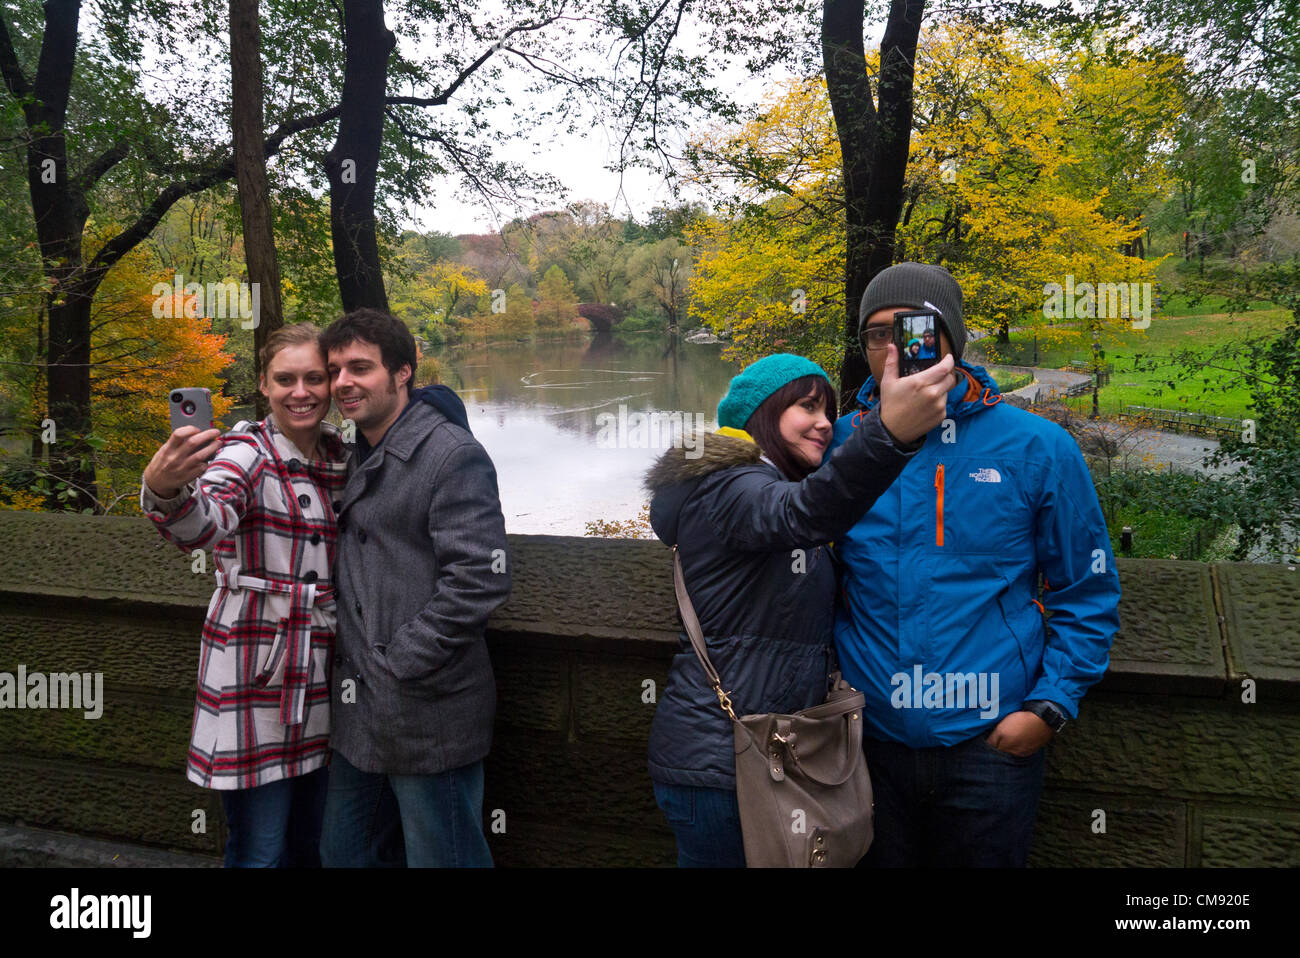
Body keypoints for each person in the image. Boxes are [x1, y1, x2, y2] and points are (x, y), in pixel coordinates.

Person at [830, 262, 1121, 867]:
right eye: (875, 334)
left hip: (988, 746)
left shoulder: (1037, 447)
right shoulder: (838, 444)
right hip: (868, 743)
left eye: (913, 329)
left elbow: (1086, 589)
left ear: (951, 340)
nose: (893, 348)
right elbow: (747, 517)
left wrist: (1049, 707)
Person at [643, 349, 954, 867]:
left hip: (763, 755)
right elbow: (806, 513)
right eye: (807, 407)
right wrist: (889, 434)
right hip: (723, 764)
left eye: (829, 411)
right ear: (762, 414)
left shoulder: (763, 486)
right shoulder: (730, 488)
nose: (824, 424)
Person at [140, 323, 347, 867]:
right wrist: (165, 491)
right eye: (285, 379)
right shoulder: (244, 452)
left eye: (313, 378)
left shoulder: (340, 457)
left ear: (331, 384)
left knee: (313, 843)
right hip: (257, 665)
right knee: (260, 847)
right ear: (264, 385)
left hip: (323, 668)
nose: (299, 391)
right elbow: (205, 524)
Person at [318, 308, 510, 868]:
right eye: (334, 371)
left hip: (427, 713)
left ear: (403, 372)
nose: (343, 384)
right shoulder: (350, 454)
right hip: (359, 717)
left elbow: (480, 577)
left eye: (360, 368)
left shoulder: (451, 455)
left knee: (443, 858)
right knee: (343, 854)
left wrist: (398, 661)